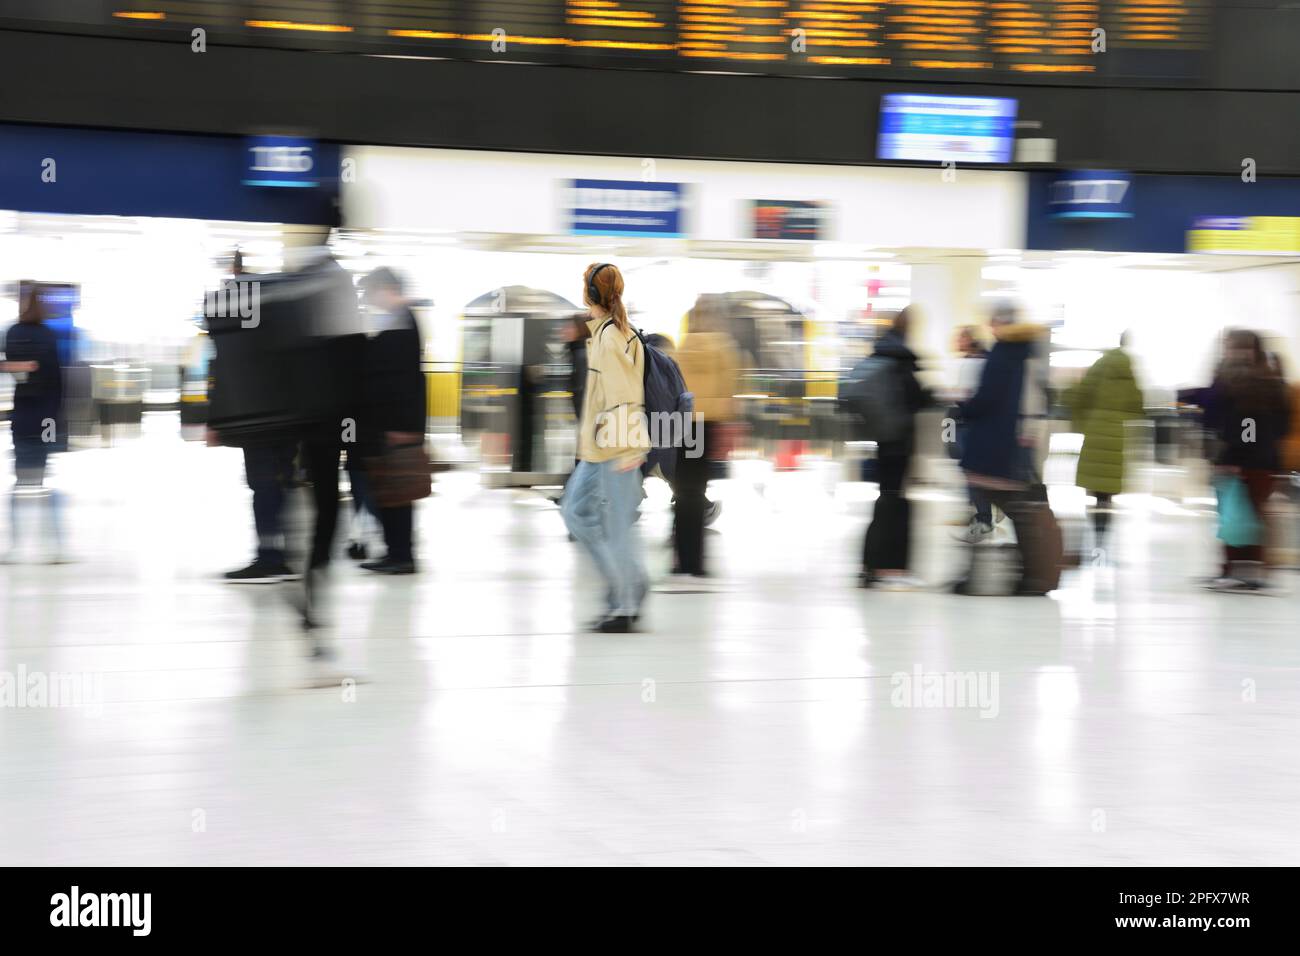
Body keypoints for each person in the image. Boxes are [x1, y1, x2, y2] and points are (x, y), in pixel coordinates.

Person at [560, 263, 651, 632]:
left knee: (615, 527)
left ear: (592, 294)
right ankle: (628, 584)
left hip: (616, 448)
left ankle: (625, 604)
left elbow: (624, 397)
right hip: (597, 448)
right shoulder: (601, 334)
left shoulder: (612, 338)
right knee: (575, 512)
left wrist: (629, 452)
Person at [952, 304, 1051, 596]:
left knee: (984, 505)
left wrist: (964, 407)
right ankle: (1028, 577)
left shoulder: (1002, 353)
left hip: (992, 446)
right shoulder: (1032, 353)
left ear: (997, 323)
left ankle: (972, 578)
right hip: (1018, 447)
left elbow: (986, 399)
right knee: (1018, 512)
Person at [660, 295, 740, 590]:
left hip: (683, 424)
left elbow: (672, 387)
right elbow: (730, 392)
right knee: (697, 492)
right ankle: (697, 563)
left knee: (683, 493)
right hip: (708, 425)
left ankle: (680, 561)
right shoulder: (724, 347)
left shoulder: (683, 346)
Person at [1201, 329, 1290, 591]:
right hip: (1249, 460)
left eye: (1239, 348)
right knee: (1236, 516)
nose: (1234, 354)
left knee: (1242, 516)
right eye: (1230, 348)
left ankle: (1243, 571)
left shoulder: (1254, 383)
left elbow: (1249, 427)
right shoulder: (1252, 380)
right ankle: (1242, 571)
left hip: (1250, 462)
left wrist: (1239, 456)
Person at [357, 267, 426, 575]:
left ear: (385, 288)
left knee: (398, 492)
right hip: (395, 423)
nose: (369, 299)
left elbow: (402, 381)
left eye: (370, 292)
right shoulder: (400, 319)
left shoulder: (401, 321)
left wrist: (404, 427)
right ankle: (395, 552)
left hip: (398, 424)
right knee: (392, 491)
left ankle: (401, 555)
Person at [858, 306, 931, 589]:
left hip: (883, 437)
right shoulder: (902, 357)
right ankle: (890, 566)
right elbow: (915, 398)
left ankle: (872, 565)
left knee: (885, 498)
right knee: (894, 501)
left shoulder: (881, 352)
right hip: (900, 439)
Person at [1, 288, 66, 562]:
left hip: (23, 417)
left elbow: (8, 366)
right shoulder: (49, 335)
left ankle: (15, 547)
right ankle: (55, 546)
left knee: (21, 481)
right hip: (47, 416)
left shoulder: (13, 332)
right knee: (46, 478)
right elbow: (58, 379)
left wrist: (14, 367)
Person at [1066, 331, 1145, 549]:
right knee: (1106, 491)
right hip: (1116, 436)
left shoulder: (1100, 366)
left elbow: (1081, 395)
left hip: (1095, 430)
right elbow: (1137, 406)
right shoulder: (1130, 371)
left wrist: (1082, 424)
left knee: (1093, 485)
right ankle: (1102, 535)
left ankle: (1093, 529)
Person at [949, 325, 994, 542]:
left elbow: (968, 395)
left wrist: (951, 394)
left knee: (970, 471)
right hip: (969, 422)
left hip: (967, 423)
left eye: (961, 337)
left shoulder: (974, 362)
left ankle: (982, 517)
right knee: (971, 470)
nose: (957, 340)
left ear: (970, 339)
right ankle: (980, 514)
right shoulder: (979, 360)